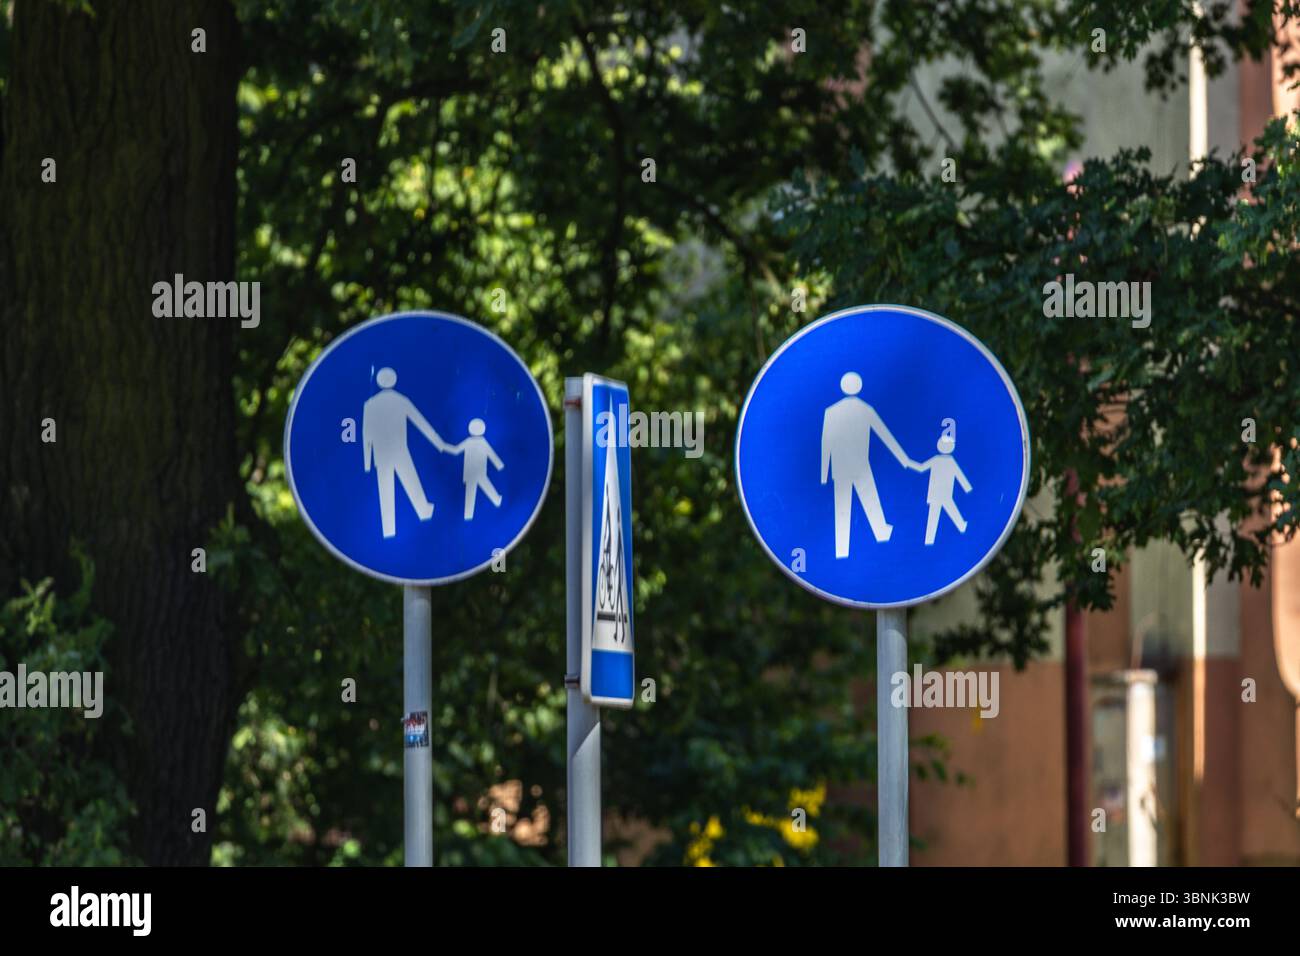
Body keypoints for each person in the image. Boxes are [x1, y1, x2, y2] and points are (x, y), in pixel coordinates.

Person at [821, 372, 920, 557]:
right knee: (870, 500)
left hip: (840, 468)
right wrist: (904, 460)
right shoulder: (865, 409)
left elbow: (826, 444)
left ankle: (842, 549)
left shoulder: (831, 412)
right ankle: (881, 533)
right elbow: (886, 437)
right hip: (859, 466)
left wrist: (824, 474)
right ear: (858, 386)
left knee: (842, 509)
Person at [362, 367, 447, 538]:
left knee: (386, 489)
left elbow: (366, 435)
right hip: (400, 450)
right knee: (411, 481)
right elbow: (421, 424)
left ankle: (388, 529)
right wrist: (440, 444)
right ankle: (423, 511)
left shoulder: (370, 404)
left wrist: (367, 462)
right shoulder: (401, 400)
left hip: (381, 454)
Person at [915, 430, 973, 545]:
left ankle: (930, 539)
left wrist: (967, 488)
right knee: (942, 512)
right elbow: (960, 476)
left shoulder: (943, 461)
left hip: (939, 493)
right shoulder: (941, 460)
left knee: (940, 513)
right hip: (941, 493)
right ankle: (959, 526)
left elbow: (921, 467)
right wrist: (967, 488)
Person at [448, 418, 505, 520]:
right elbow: (491, 454)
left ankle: (469, 514)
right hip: (475, 472)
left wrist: (445, 447)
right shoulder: (479, 442)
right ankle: (495, 501)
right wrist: (499, 465)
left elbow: (456, 450)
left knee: (474, 491)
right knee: (478, 489)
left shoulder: (471, 442)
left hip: (473, 472)